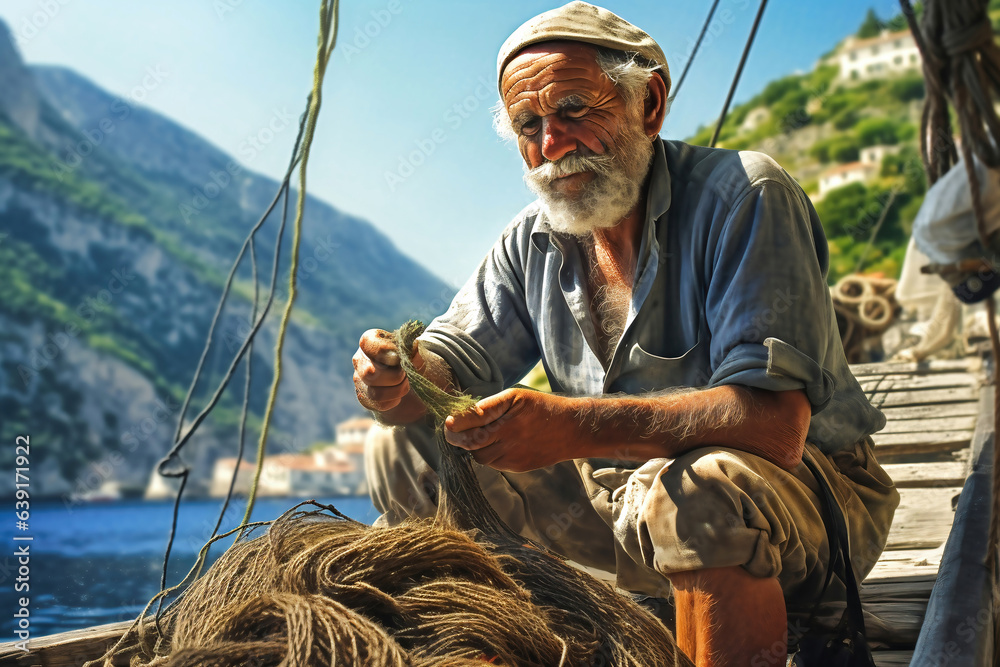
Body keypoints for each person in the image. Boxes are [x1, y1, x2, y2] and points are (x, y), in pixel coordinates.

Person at [352, 3, 899, 665]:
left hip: (797, 500)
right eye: (531, 126)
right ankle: (489, 639)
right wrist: (398, 375)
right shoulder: (529, 241)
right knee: (402, 448)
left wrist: (574, 426)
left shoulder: (745, 196)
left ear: (650, 102)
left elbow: (776, 426)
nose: (552, 145)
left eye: (574, 109)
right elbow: (446, 365)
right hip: (619, 506)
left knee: (699, 488)